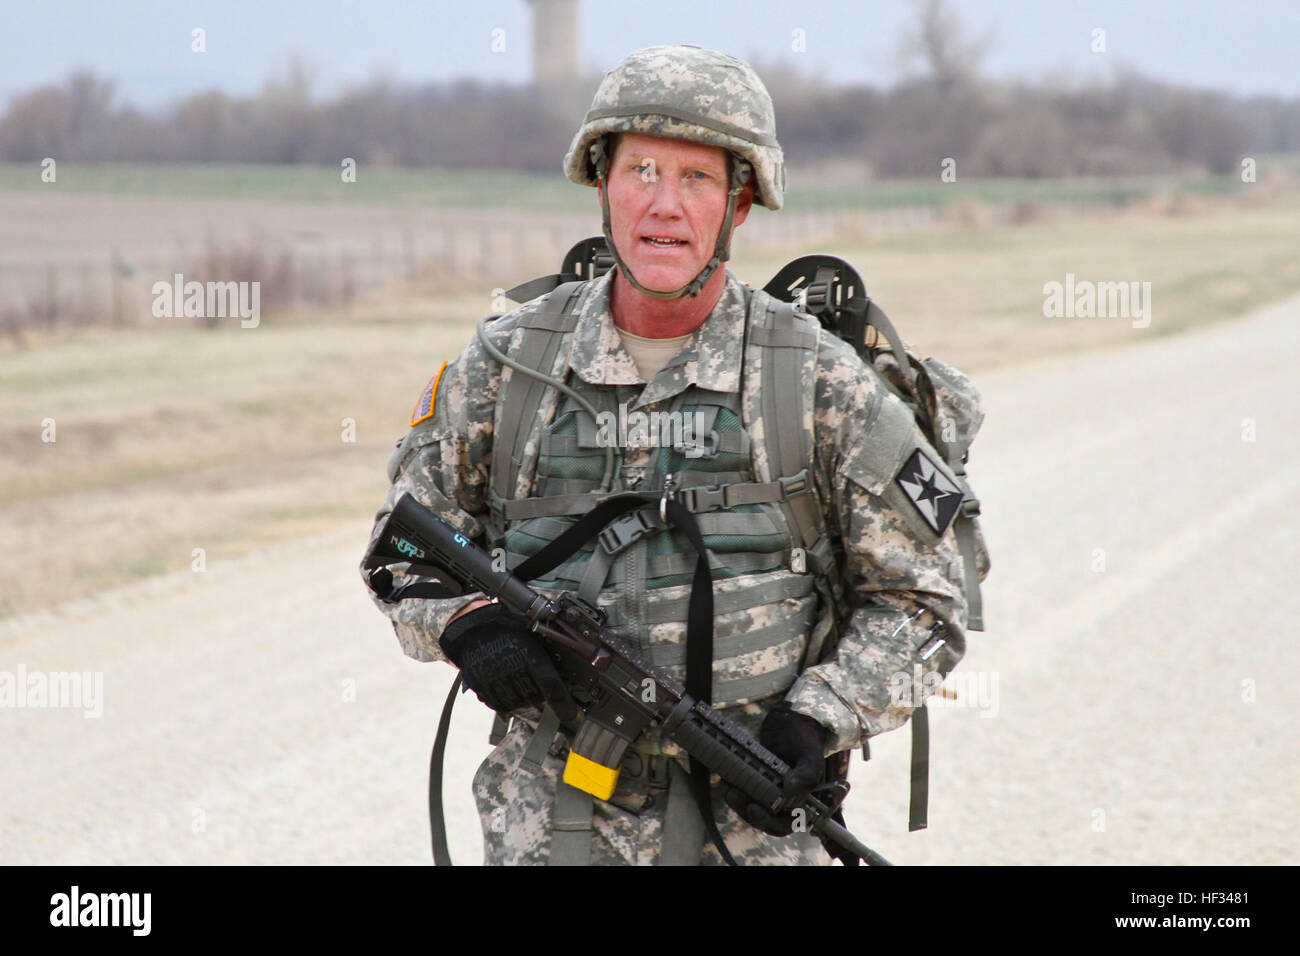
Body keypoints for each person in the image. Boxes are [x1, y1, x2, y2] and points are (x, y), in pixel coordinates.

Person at [362, 44, 975, 866]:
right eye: (641, 170)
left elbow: (926, 599)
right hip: (549, 822)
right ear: (602, 185)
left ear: (740, 205)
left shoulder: (816, 379)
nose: (665, 206)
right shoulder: (506, 368)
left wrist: (820, 718)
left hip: (751, 823)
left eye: (697, 179)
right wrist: (468, 623)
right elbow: (401, 549)